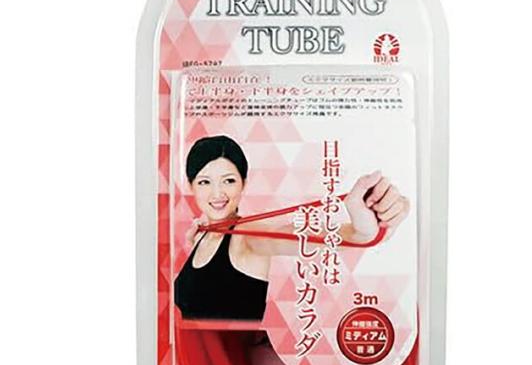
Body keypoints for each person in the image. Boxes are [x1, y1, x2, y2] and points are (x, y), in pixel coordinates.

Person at [174, 135, 409, 320]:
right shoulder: (202, 234)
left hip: (234, 360)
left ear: (243, 183)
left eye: (229, 180)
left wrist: (362, 232)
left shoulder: (249, 237)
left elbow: (313, 238)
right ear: (191, 185)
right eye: (204, 182)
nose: (217, 193)